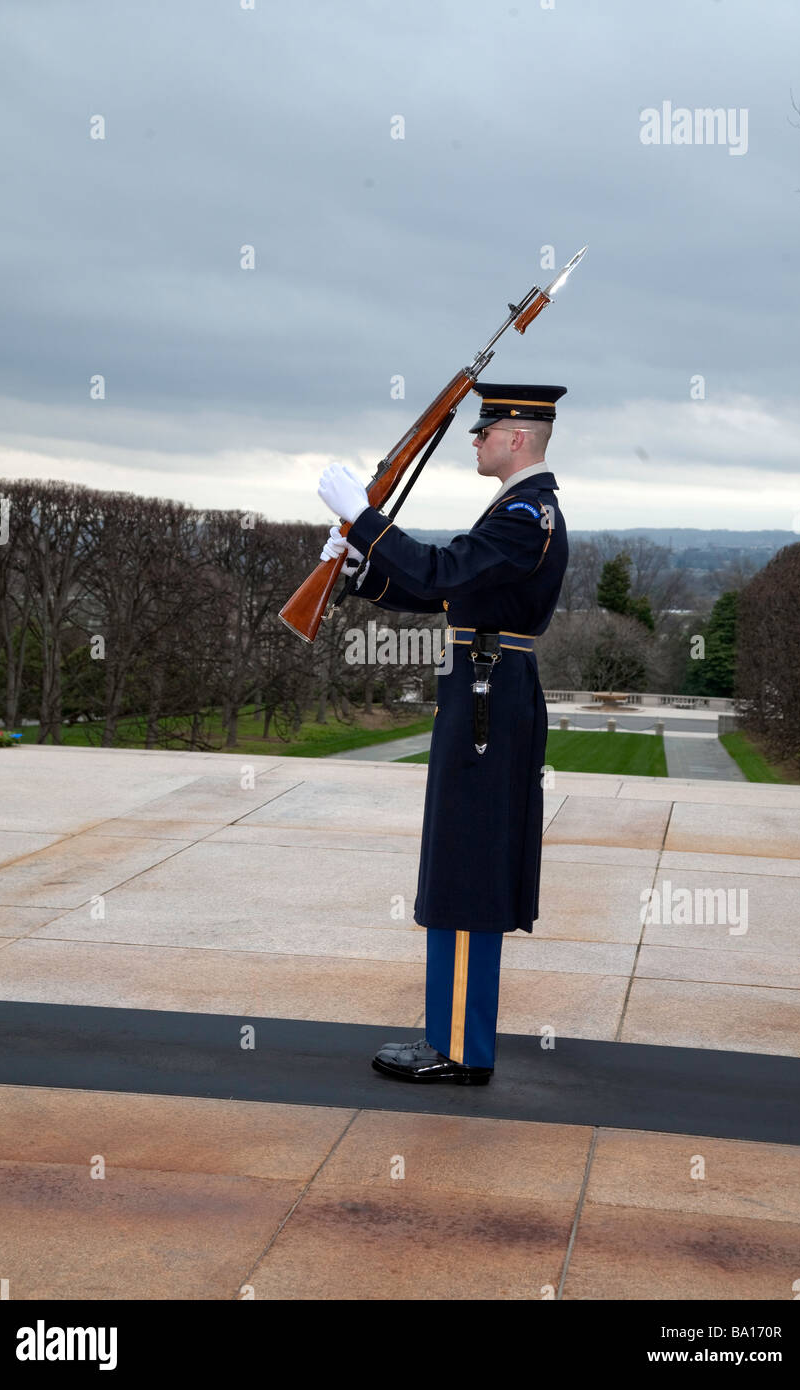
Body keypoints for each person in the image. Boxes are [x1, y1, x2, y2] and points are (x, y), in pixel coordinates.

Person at [316, 383, 569, 1084]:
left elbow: (442, 569)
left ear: (517, 437)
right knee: (463, 859)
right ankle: (453, 1036)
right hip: (481, 689)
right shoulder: (517, 511)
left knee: (468, 865)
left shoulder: (525, 514)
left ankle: (458, 1048)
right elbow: (442, 591)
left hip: (488, 698)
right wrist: (363, 564)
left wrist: (367, 519)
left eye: (485, 429)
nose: (476, 438)